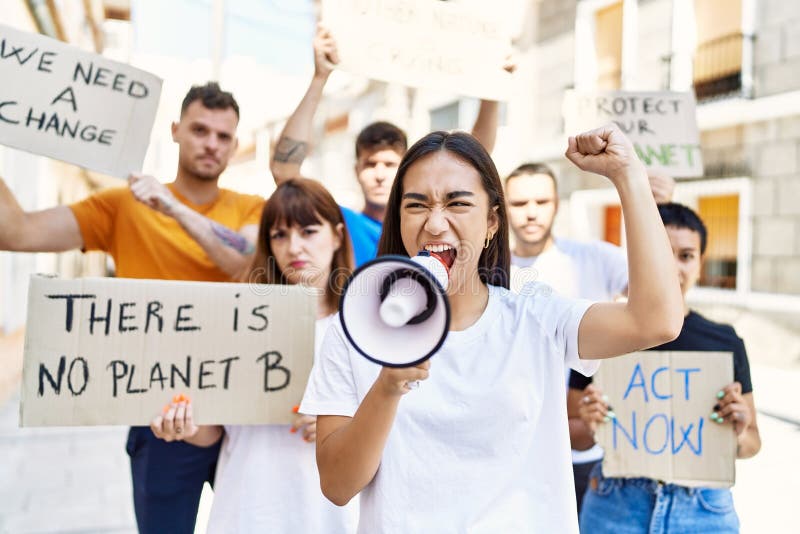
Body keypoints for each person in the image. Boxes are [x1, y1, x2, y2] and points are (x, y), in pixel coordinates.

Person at [299, 124, 684, 533]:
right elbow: (337, 486)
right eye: (416, 205)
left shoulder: (538, 318)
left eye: (457, 203)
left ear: (492, 223)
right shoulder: (356, 331)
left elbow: (656, 321)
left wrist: (629, 176)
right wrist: (388, 386)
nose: (434, 223)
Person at [0, 82, 264, 533]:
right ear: (176, 130)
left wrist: (175, 210)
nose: (211, 144)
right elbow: (18, 232)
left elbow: (243, 261)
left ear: (235, 146)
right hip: (160, 415)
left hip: (244, 418)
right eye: (200, 130)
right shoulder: (124, 204)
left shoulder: (252, 208)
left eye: (223, 137)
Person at [150, 178, 358, 532]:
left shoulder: (367, 329)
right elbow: (213, 432)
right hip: (247, 508)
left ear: (338, 235)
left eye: (308, 231)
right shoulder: (237, 322)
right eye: (279, 235)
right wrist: (183, 426)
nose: (294, 247)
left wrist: (342, 425)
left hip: (332, 514)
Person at [570, 202, 761, 534]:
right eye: (660, 251)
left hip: (702, 508)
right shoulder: (600, 333)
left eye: (686, 256)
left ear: (700, 264)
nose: (672, 267)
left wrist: (739, 428)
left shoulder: (724, 341)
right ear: (639, 257)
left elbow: (751, 444)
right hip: (616, 504)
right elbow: (575, 437)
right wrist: (591, 423)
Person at [505, 163, 674, 511]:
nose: (531, 213)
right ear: (501, 208)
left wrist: (654, 209)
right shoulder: (485, 271)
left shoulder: (593, 257)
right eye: (519, 204)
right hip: (510, 448)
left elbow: (660, 298)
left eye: (542, 201)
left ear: (557, 204)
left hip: (584, 450)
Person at [270, 24, 509, 266]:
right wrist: (320, 78)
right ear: (356, 170)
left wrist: (490, 90)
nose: (380, 175)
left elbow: (474, 160)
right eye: (370, 164)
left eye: (390, 164)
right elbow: (284, 172)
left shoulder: (430, 224)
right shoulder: (341, 222)